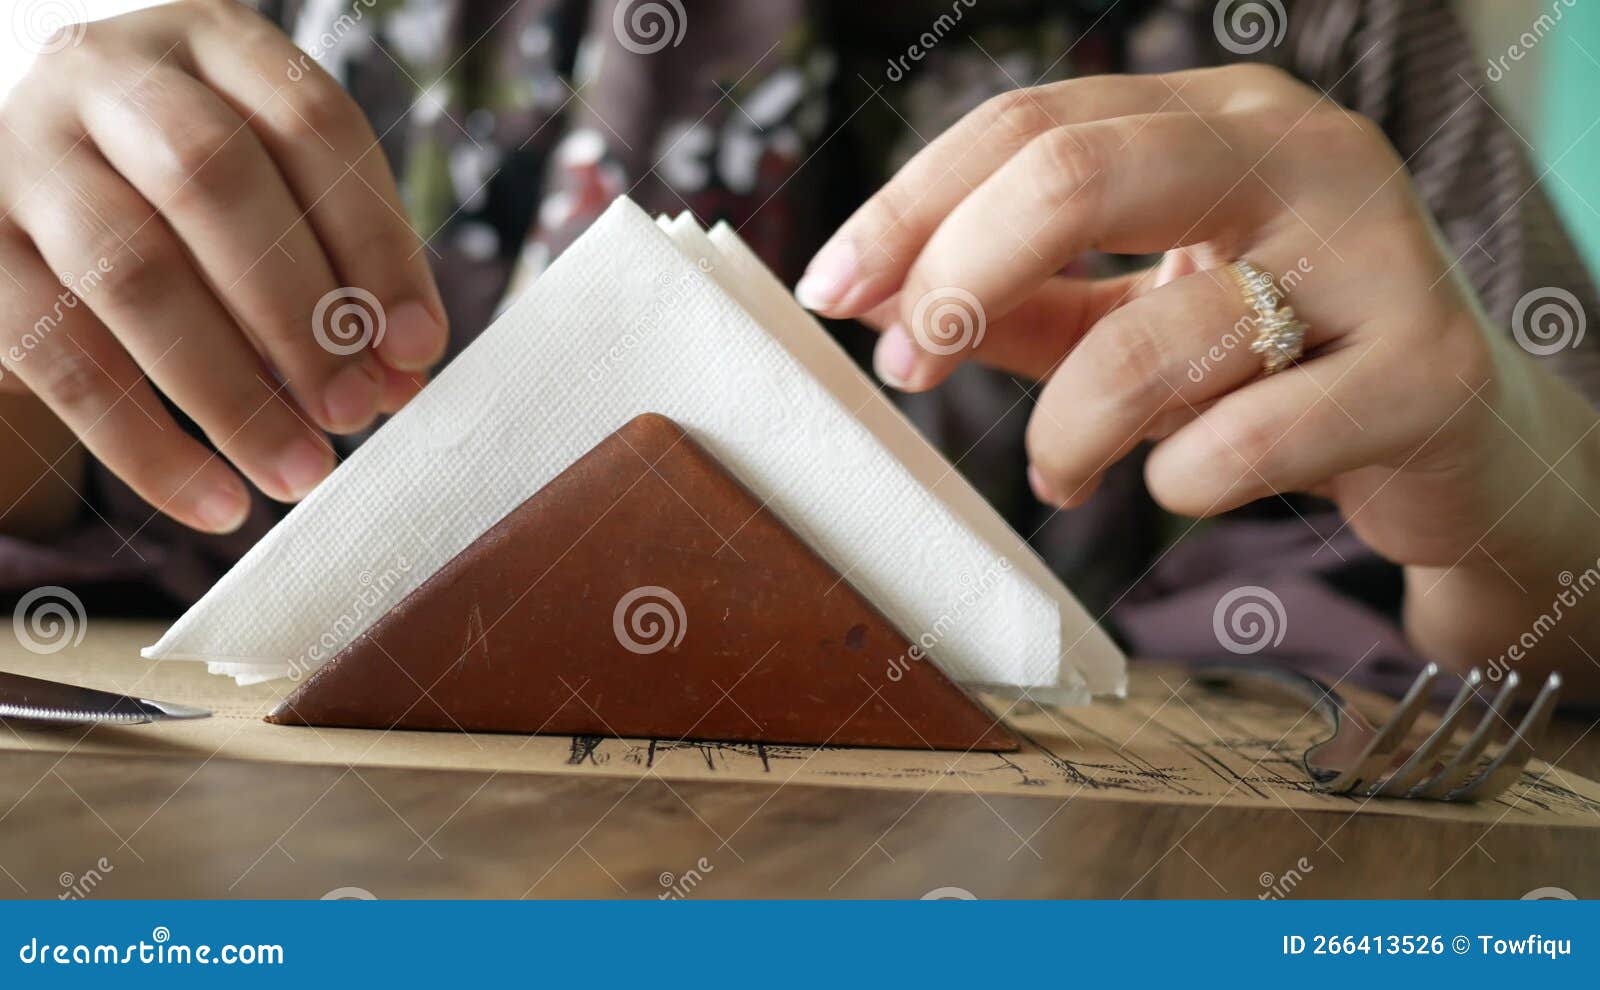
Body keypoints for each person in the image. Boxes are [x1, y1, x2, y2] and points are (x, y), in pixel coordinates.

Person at [1, 0, 1596, 701]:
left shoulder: (1332, 35)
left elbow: (1554, 579)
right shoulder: (284, 30)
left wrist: (1522, 498)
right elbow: (88, 509)